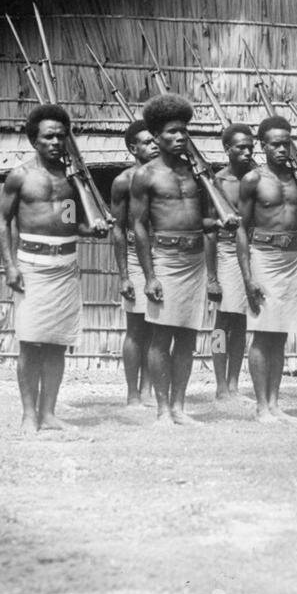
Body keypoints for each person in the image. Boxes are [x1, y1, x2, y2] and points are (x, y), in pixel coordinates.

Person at [0, 104, 105, 434]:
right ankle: (29, 414)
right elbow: (3, 221)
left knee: (57, 344)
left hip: (65, 267)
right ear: (35, 141)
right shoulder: (21, 176)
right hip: (31, 267)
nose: (56, 142)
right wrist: (10, 266)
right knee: (30, 342)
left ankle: (49, 413)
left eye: (61, 136)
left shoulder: (75, 180)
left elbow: (71, 222)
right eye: (49, 137)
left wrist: (96, 227)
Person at [130, 94, 229, 424]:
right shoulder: (146, 175)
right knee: (161, 336)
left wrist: (217, 223)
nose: (180, 137)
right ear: (156, 137)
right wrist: (149, 276)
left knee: (187, 335)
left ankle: (179, 407)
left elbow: (201, 221)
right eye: (172, 132)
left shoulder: (197, 173)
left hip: (195, 260)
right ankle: (161, 410)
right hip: (166, 260)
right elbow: (139, 226)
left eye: (184, 132)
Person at [237, 116, 297, 422]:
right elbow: (241, 229)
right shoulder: (253, 180)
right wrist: (248, 276)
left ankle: (275, 403)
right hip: (263, 257)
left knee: (280, 335)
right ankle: (260, 407)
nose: (282, 149)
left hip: (290, 259)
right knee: (262, 334)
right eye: (275, 144)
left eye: (286, 143)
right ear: (263, 145)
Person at [109, 118, 159, 406]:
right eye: (147, 142)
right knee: (136, 328)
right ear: (133, 148)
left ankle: (148, 390)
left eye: (155, 141)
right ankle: (132, 394)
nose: (153, 146)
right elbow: (117, 228)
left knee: (157, 325)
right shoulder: (123, 182)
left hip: (163, 254)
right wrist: (123, 275)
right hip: (134, 256)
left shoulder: (166, 176)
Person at [211, 123, 254, 400]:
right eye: (241, 147)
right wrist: (212, 276)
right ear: (227, 150)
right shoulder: (217, 182)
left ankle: (235, 383)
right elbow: (207, 229)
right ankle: (220, 384)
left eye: (251, 147)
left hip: (254, 251)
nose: (247, 152)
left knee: (241, 322)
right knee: (223, 320)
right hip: (226, 251)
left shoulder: (257, 178)